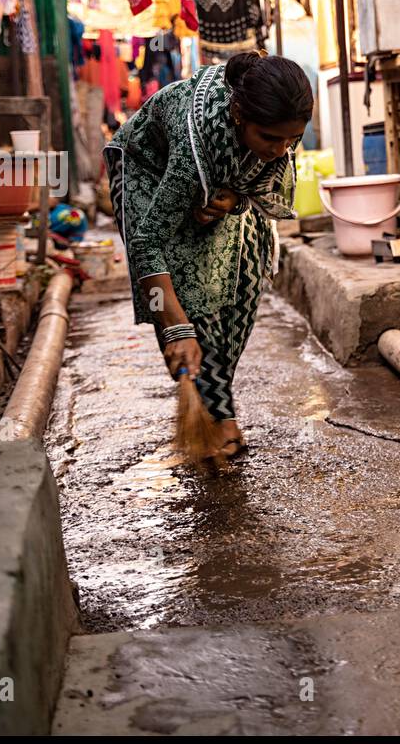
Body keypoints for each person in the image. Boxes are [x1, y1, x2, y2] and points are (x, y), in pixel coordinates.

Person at [104, 51, 312, 458]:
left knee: (245, 276)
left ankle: (217, 411)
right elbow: (147, 245)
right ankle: (218, 419)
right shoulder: (193, 148)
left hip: (215, 176)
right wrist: (176, 328)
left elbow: (263, 183)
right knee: (192, 297)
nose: (282, 149)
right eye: (270, 138)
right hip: (147, 169)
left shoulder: (278, 132)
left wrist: (231, 198)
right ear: (238, 114)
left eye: (292, 138)